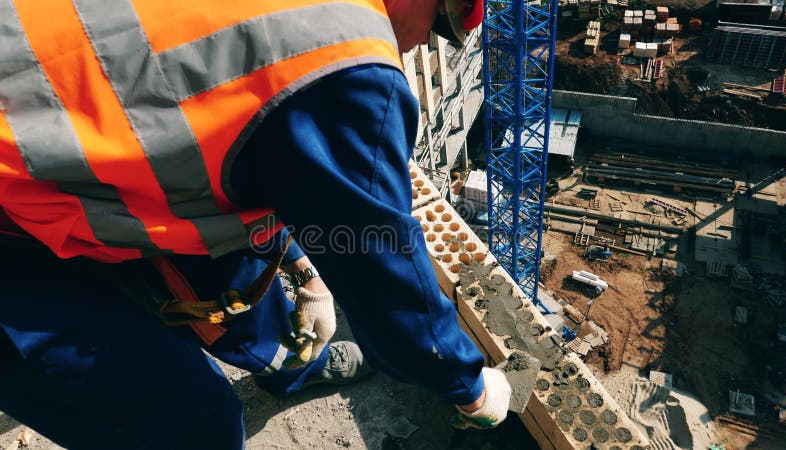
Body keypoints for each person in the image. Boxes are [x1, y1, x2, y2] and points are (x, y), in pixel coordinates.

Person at [0, 0, 512, 448]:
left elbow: (234, 138)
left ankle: (293, 361)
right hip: (15, 231)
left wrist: (304, 266)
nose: (425, 42)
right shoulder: (349, 64)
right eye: (442, 24)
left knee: (230, 253)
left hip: (52, 135)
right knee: (195, 425)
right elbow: (388, 278)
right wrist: (467, 385)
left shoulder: (290, 29)